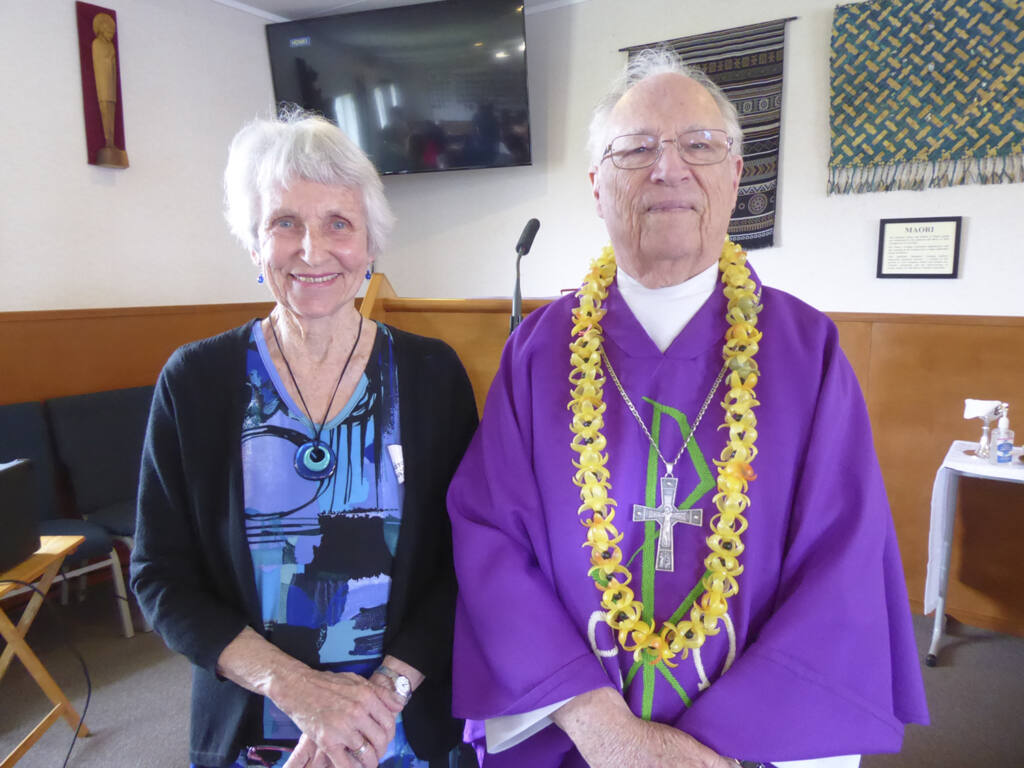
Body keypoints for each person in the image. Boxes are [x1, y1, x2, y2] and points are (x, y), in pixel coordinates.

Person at [446, 49, 929, 768]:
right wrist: (607, 731)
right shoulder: (536, 354)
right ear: (597, 185)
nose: (668, 169)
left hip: (749, 750)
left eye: (699, 145)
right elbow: (492, 546)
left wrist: (714, 751)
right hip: (576, 742)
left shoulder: (807, 352)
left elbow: (843, 563)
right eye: (635, 149)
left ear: (735, 175)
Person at [130, 111, 478, 768]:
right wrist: (299, 691)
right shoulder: (196, 380)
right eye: (285, 222)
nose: (312, 250)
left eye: (338, 224)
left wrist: (380, 697)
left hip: (402, 729)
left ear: (371, 245)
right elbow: (159, 577)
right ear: (254, 243)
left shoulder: (433, 375)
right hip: (255, 736)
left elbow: (465, 561)